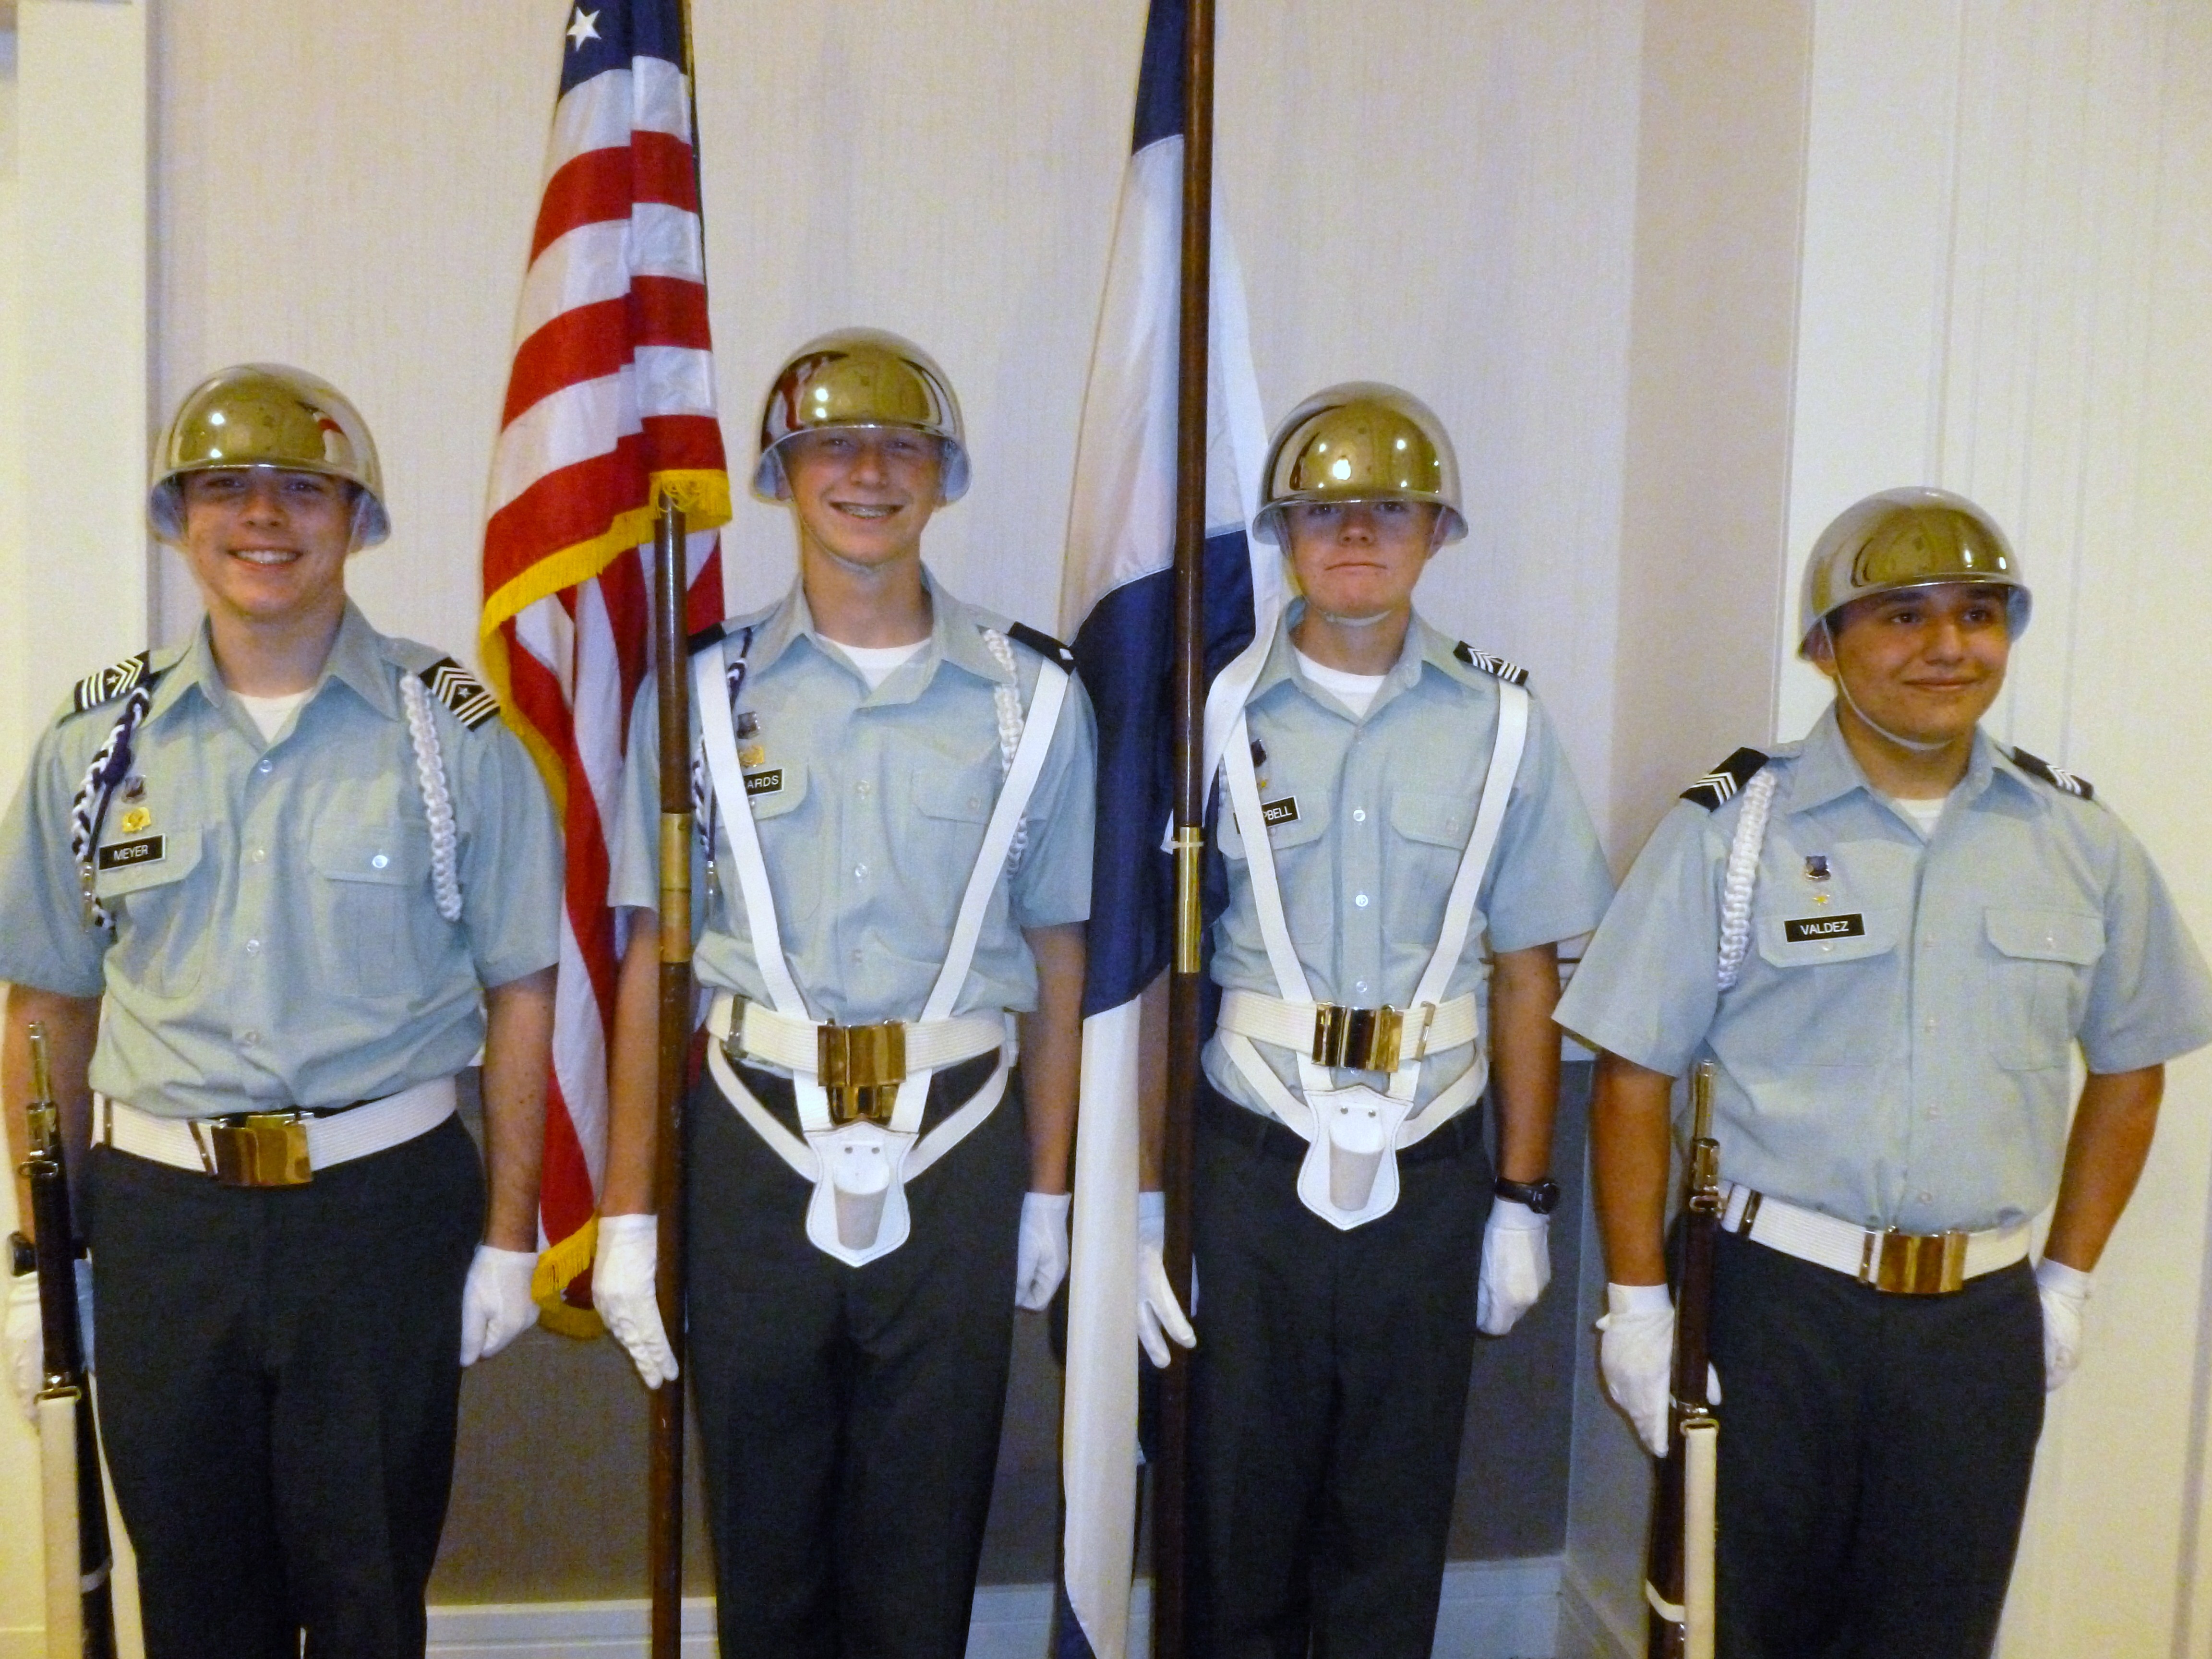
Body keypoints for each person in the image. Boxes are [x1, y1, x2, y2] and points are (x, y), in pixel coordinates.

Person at [1558, 487, 2212, 1659]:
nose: (1947, 645)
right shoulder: (1732, 831)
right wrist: (1639, 1307)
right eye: (1901, 615)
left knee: (1937, 1636)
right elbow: (1631, 1078)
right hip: (1776, 1311)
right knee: (1737, 1629)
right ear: (1827, 647)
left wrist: (2066, 1281)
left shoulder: (2079, 843)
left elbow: (2133, 1066)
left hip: (1976, 1330)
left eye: (1977, 614)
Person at [0, 363, 561, 1659]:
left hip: (380, 1218)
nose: (265, 517)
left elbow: (523, 992)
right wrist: (51, 1245)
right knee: (195, 1606)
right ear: (179, 516)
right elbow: (47, 1004)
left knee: (369, 1597)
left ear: (356, 519)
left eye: (303, 488)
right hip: (162, 1224)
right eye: (226, 488)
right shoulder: (98, 745)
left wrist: (509, 1235)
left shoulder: (453, 731)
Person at [590, 329, 1096, 1659]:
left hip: (962, 1141)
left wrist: (1049, 1186)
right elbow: (657, 960)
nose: (868, 471)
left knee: (922, 1552)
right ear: (781, 474)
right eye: (832, 445)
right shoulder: (700, 693)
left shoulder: (1035, 701)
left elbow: (1058, 958)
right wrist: (630, 1211)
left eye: (903, 447)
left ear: (944, 477)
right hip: (752, 1140)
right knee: (765, 1547)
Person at [1145, 384, 1614, 1657]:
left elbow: (1529, 968)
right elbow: (1156, 973)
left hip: (1434, 1162)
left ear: (1439, 534)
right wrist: (1152, 1198)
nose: (1357, 536)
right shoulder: (1206, 714)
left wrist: (1522, 1197)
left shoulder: (1506, 725)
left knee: (1393, 1520)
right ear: (1285, 537)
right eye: (1325, 513)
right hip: (1247, 1159)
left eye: (1390, 512)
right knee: (1234, 1516)